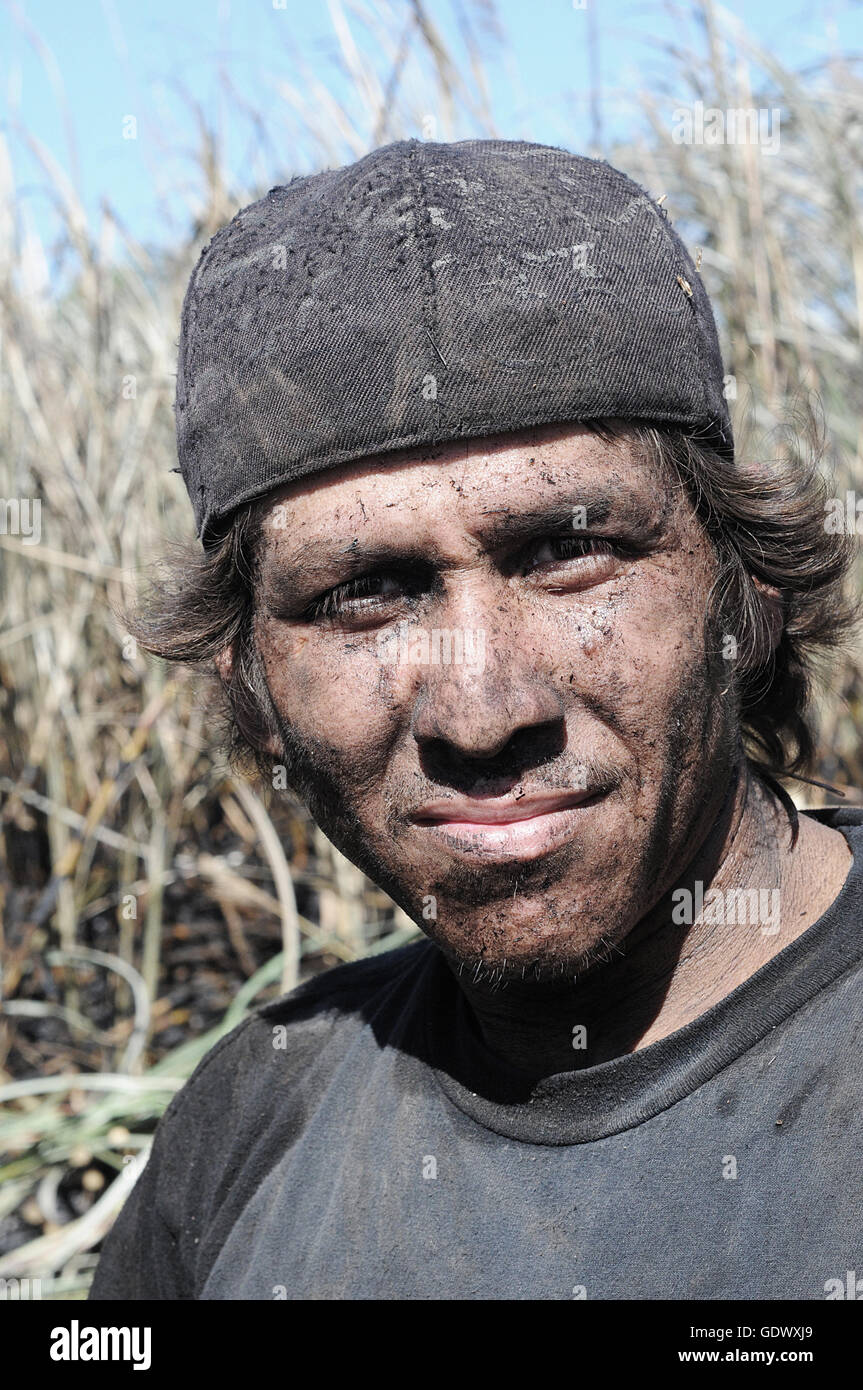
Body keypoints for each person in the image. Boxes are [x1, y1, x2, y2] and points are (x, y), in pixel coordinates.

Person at [90, 138, 862, 1301]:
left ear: (746, 594)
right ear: (251, 685)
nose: (482, 708)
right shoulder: (252, 1119)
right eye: (363, 593)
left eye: (567, 551)